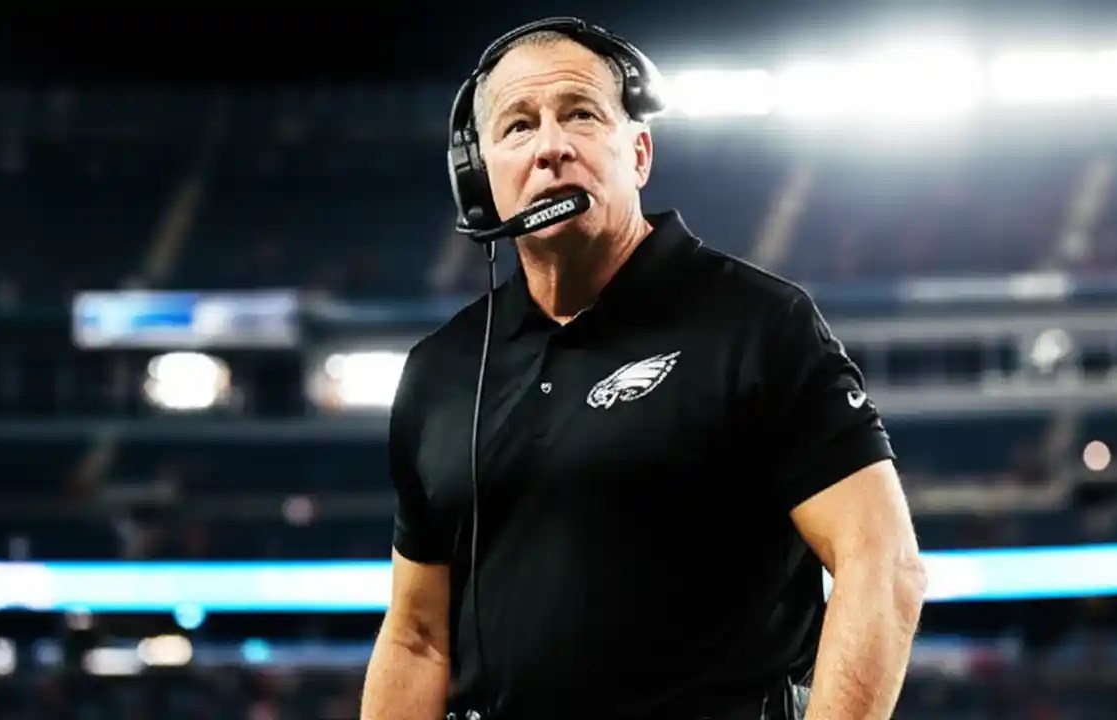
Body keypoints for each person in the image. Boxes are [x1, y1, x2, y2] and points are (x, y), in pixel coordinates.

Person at [362, 18, 927, 720]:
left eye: (581, 114)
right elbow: (416, 638)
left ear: (639, 154)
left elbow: (883, 567)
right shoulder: (440, 371)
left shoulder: (757, 324)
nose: (551, 147)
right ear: (479, 180)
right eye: (518, 126)